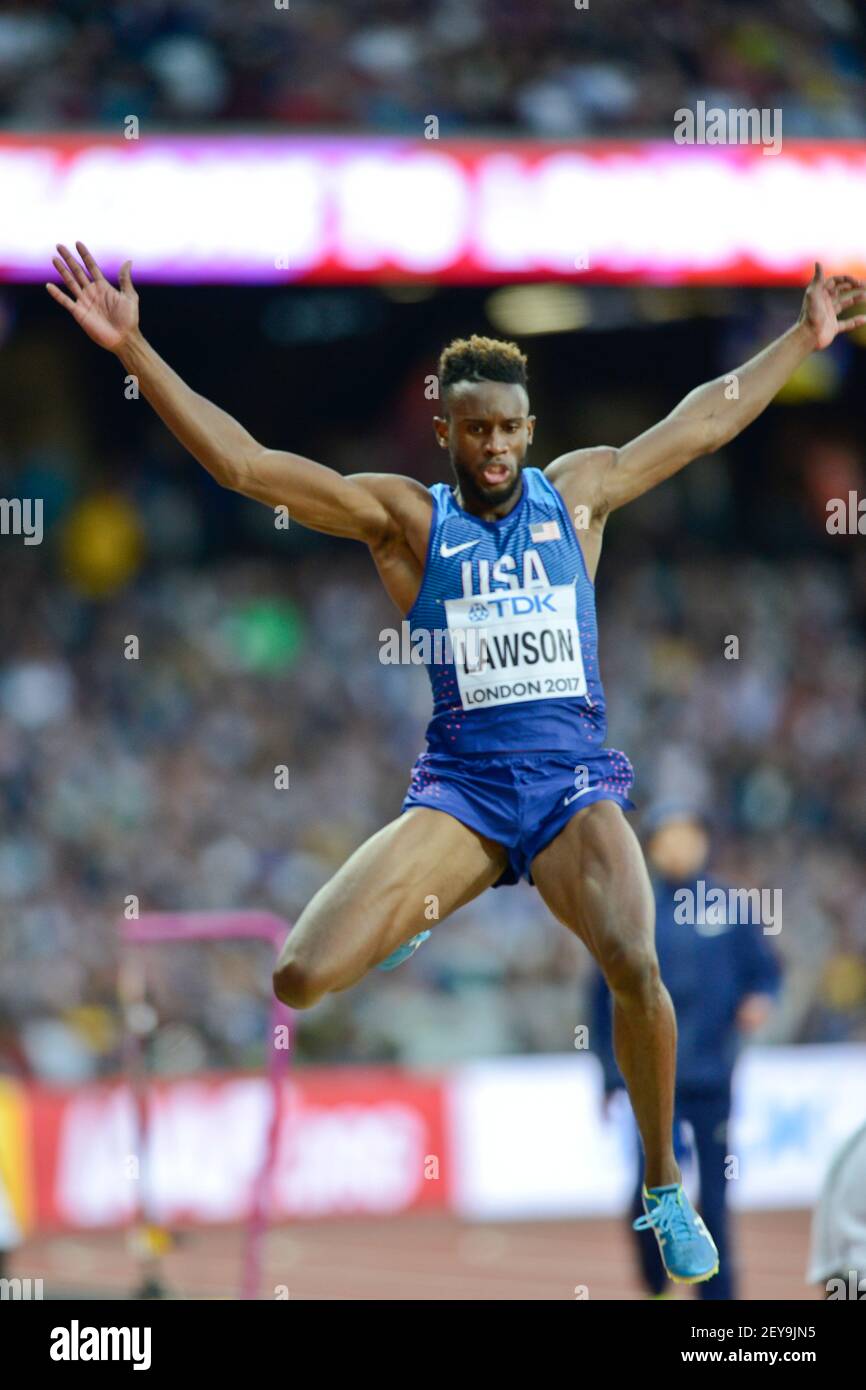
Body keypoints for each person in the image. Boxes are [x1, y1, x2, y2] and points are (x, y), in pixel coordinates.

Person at [47, 242, 866, 1285]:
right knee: (296, 973)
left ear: (530, 430)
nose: (491, 447)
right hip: (465, 796)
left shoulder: (578, 495)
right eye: (472, 429)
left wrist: (797, 338)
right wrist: (137, 348)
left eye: (507, 430)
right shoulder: (407, 521)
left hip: (571, 787)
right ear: (443, 430)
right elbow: (246, 466)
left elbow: (700, 419)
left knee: (634, 957)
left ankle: (662, 1185)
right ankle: (409, 916)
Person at [590, 803, 782, 1299]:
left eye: (690, 835)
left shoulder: (729, 906)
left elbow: (765, 971)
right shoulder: (632, 908)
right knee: (649, 1194)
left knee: (715, 1199)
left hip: (713, 1077)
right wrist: (612, 1076)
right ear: (650, 846)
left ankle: (719, 1300)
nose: (681, 846)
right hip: (652, 1083)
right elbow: (601, 997)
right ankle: (656, 1284)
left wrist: (762, 998)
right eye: (670, 836)